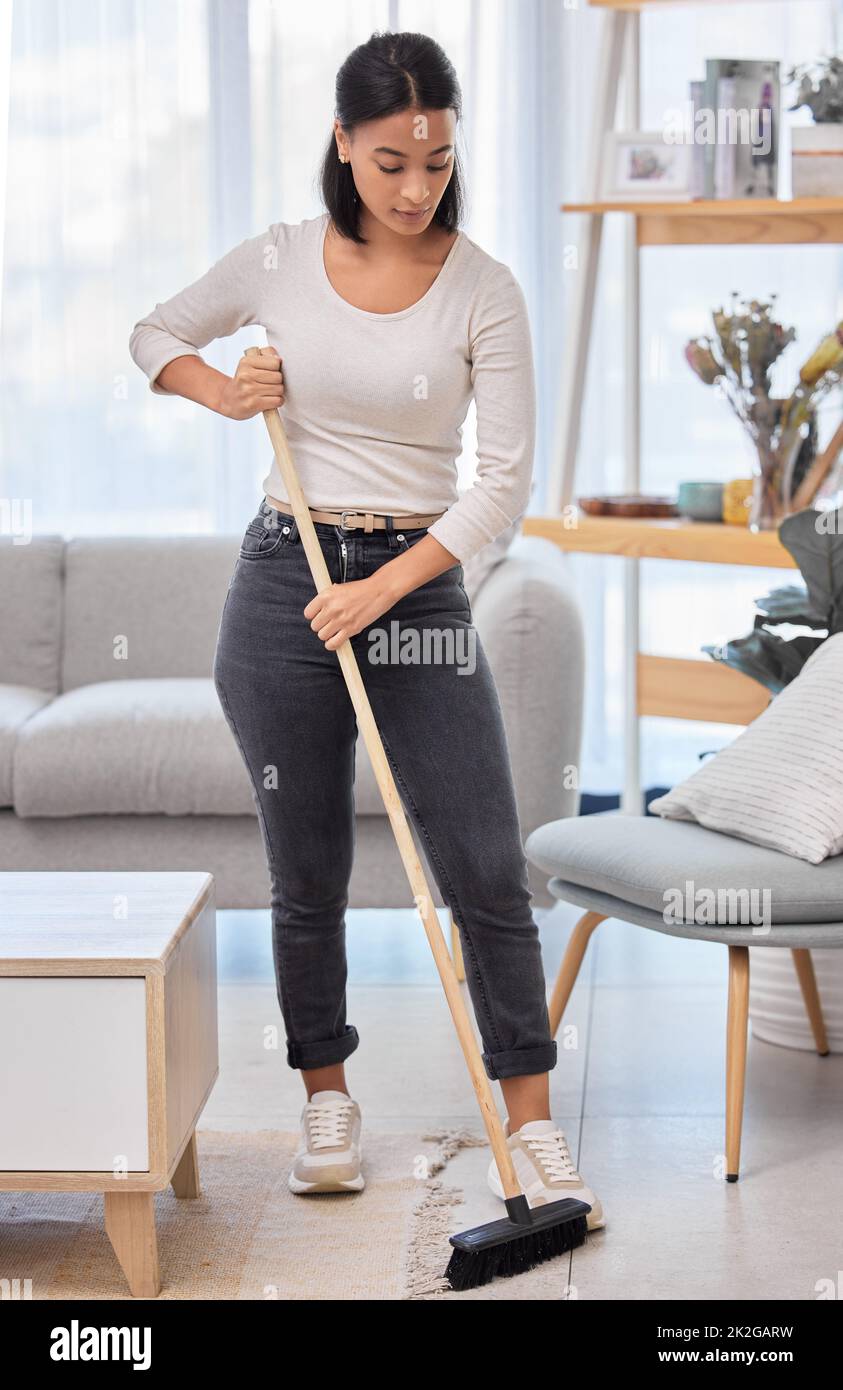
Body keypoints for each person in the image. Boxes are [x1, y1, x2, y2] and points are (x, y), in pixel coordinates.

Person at [129, 29, 604, 1230]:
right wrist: (223, 388)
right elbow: (153, 334)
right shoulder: (282, 260)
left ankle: (534, 1126)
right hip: (283, 573)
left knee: (488, 868)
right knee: (309, 875)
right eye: (390, 160)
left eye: (437, 163)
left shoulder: (484, 286)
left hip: (418, 586)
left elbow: (500, 486)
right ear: (343, 144)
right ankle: (325, 1100)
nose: (414, 188)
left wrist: (381, 592)